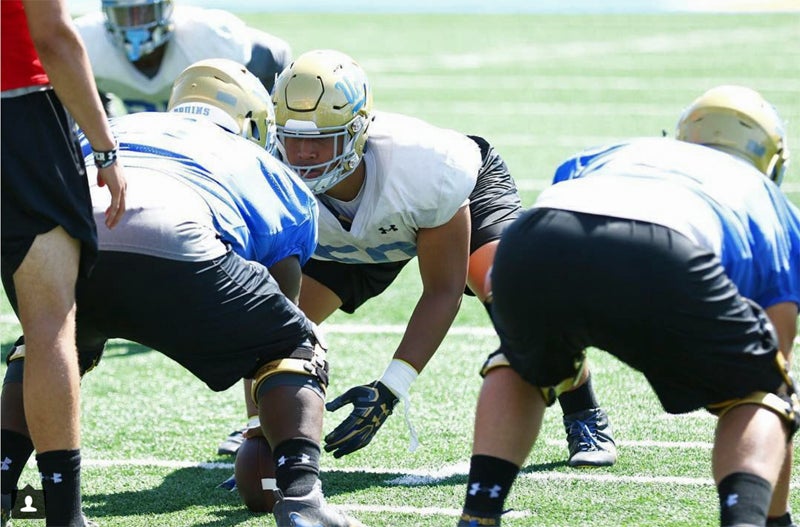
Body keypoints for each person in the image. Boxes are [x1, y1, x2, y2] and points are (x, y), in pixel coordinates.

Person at [1, 58, 365, 527]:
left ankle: (7, 483)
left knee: (48, 345)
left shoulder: (120, 125)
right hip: (178, 239)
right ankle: (301, 497)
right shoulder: (262, 164)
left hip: (68, 243)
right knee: (297, 344)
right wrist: (261, 427)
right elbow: (280, 314)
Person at [455, 85, 799, 527]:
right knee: (761, 391)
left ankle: (479, 512)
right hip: (667, 247)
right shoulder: (769, 201)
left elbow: (575, 210)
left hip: (536, 237)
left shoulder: (621, 151)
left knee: (526, 365)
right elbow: (777, 360)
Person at [253, 48, 613, 466]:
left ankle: (584, 411)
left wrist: (391, 388)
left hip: (441, 207)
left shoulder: (425, 166)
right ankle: (268, 434)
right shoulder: (265, 167)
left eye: (320, 142)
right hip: (345, 231)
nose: (302, 156)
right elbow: (261, 318)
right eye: (292, 140)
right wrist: (257, 431)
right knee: (271, 325)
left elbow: (444, 291)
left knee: (516, 294)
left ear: (357, 132)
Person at [1, 0, 127, 525]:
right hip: (17, 117)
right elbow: (51, 36)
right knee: (50, 322)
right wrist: (105, 149)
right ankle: (63, 515)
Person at [74, 0, 292, 116]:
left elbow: (273, 57)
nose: (135, 26)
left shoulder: (205, 36)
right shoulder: (86, 43)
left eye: (144, 13)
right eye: (124, 15)